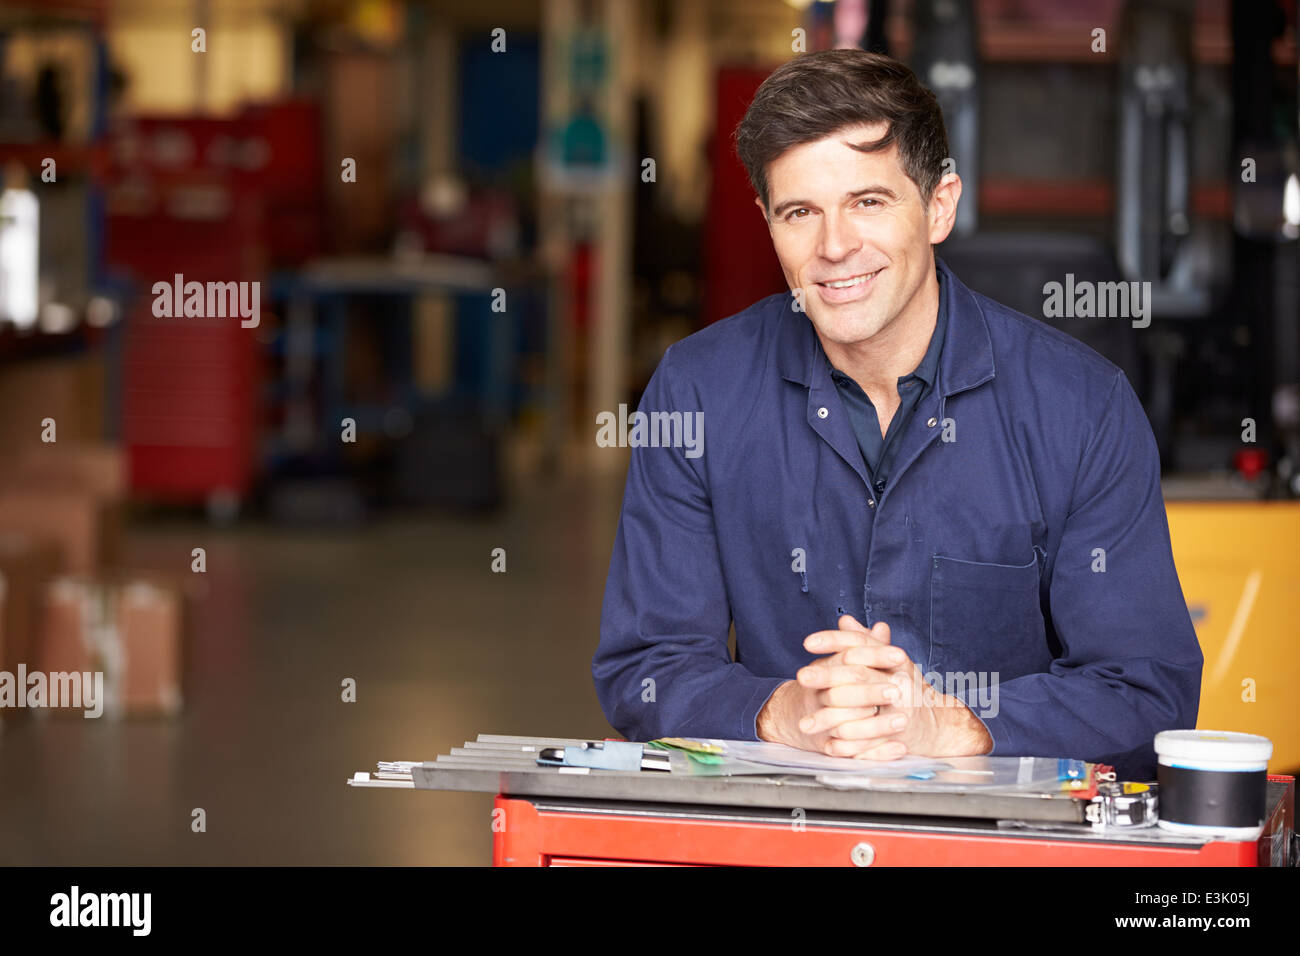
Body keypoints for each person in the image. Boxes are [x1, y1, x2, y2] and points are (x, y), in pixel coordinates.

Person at [592, 49, 1201, 780]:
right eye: (800, 213)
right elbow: (645, 665)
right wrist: (778, 712)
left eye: (868, 202)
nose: (835, 247)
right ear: (766, 221)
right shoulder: (697, 391)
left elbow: (1147, 691)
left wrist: (955, 724)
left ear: (939, 205)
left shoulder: (1082, 408)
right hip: (781, 841)